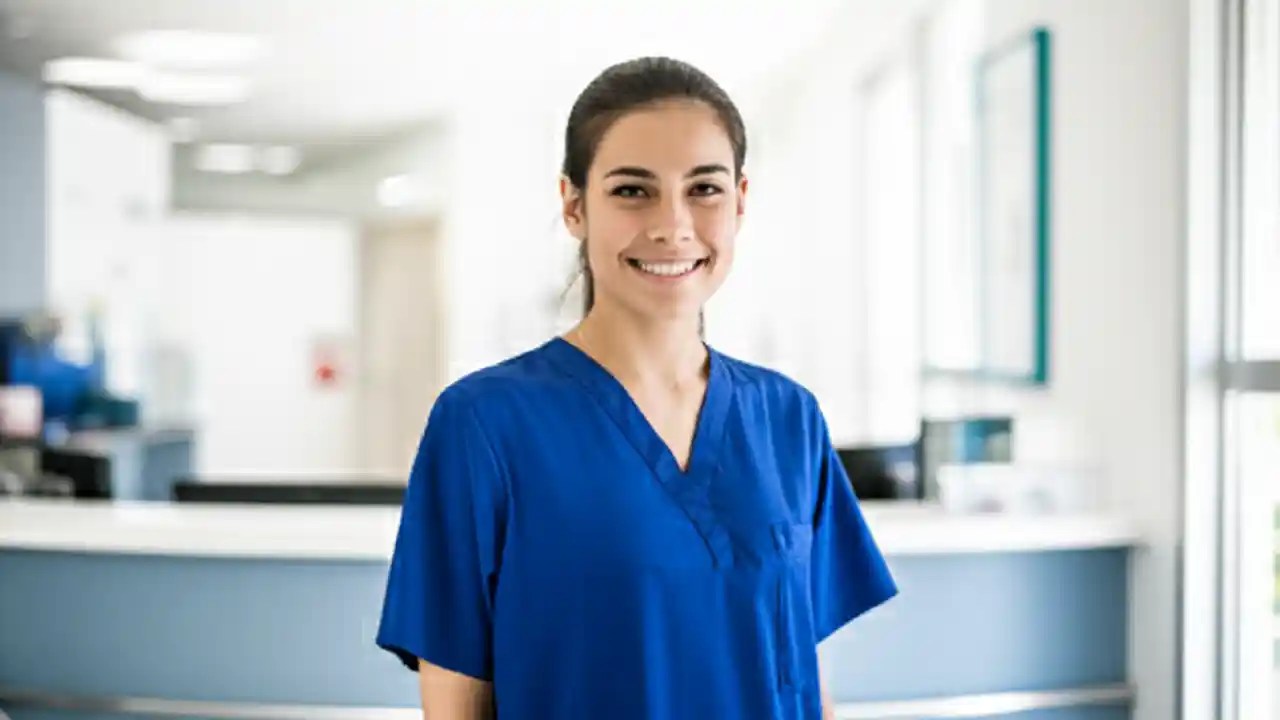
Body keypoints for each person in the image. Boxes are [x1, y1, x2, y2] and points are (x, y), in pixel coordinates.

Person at [376, 56, 897, 719]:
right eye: (632, 190)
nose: (672, 224)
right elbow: (455, 705)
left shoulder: (788, 419)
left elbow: (801, 673)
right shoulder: (484, 424)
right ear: (573, 205)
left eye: (703, 189)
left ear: (740, 201)